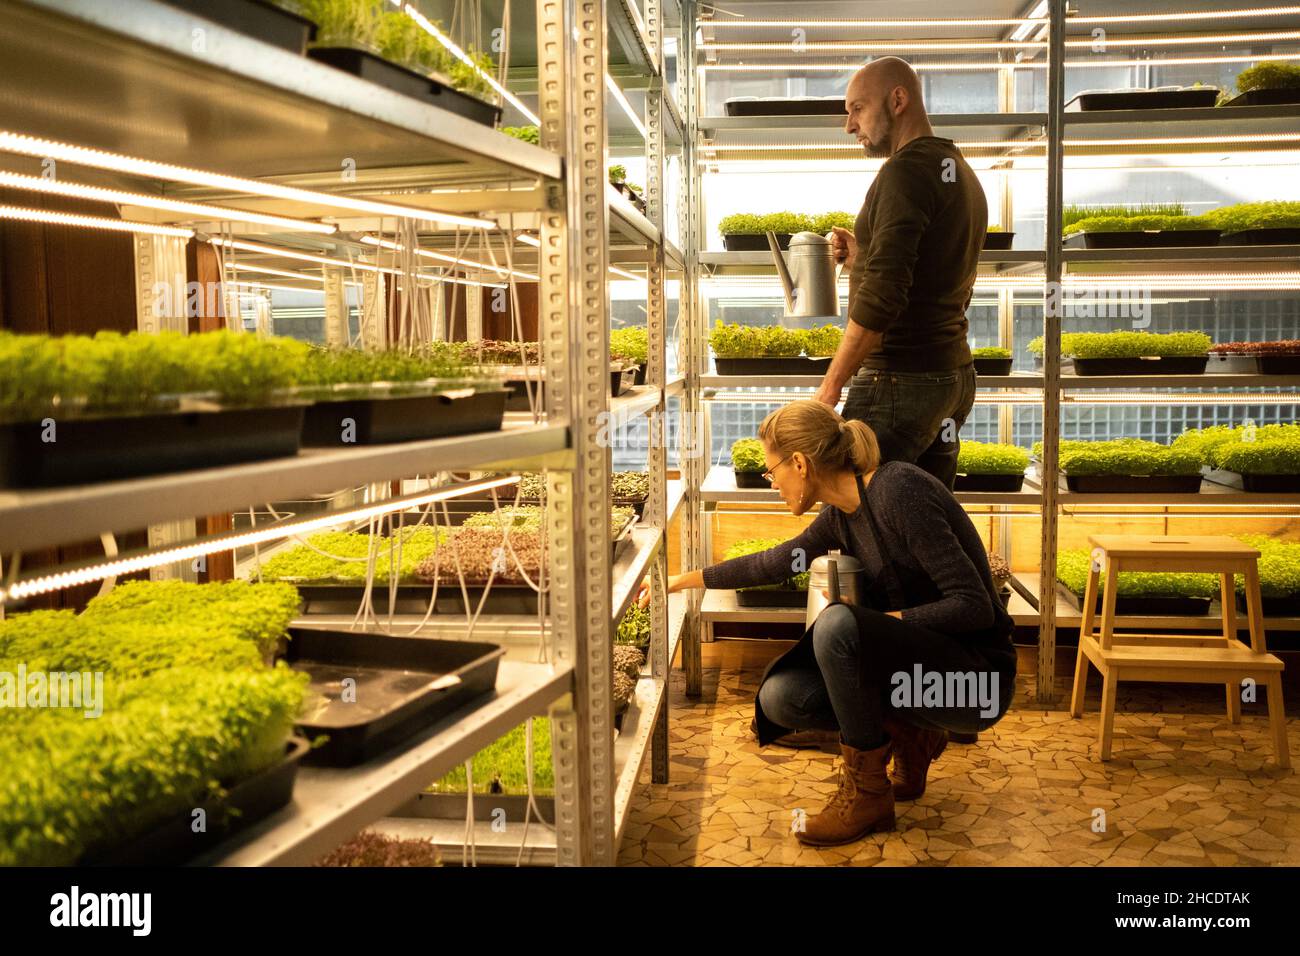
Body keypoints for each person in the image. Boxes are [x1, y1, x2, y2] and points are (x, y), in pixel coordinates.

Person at [639, 401, 1015, 847]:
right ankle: (911, 734)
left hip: (976, 681)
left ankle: (868, 794)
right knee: (782, 699)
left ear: (800, 463)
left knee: (838, 624)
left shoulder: (900, 491)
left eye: (772, 470)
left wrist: (880, 625)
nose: (772, 482)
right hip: (921, 673)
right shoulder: (841, 515)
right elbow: (776, 563)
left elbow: (974, 606)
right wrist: (683, 580)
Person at [815, 56, 987, 492]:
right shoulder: (960, 171)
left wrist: (830, 389)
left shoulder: (903, 171)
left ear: (897, 99)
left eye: (856, 108)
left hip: (900, 381)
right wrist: (865, 255)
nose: (849, 125)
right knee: (925, 520)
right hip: (951, 378)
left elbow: (883, 297)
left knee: (858, 511)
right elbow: (938, 271)